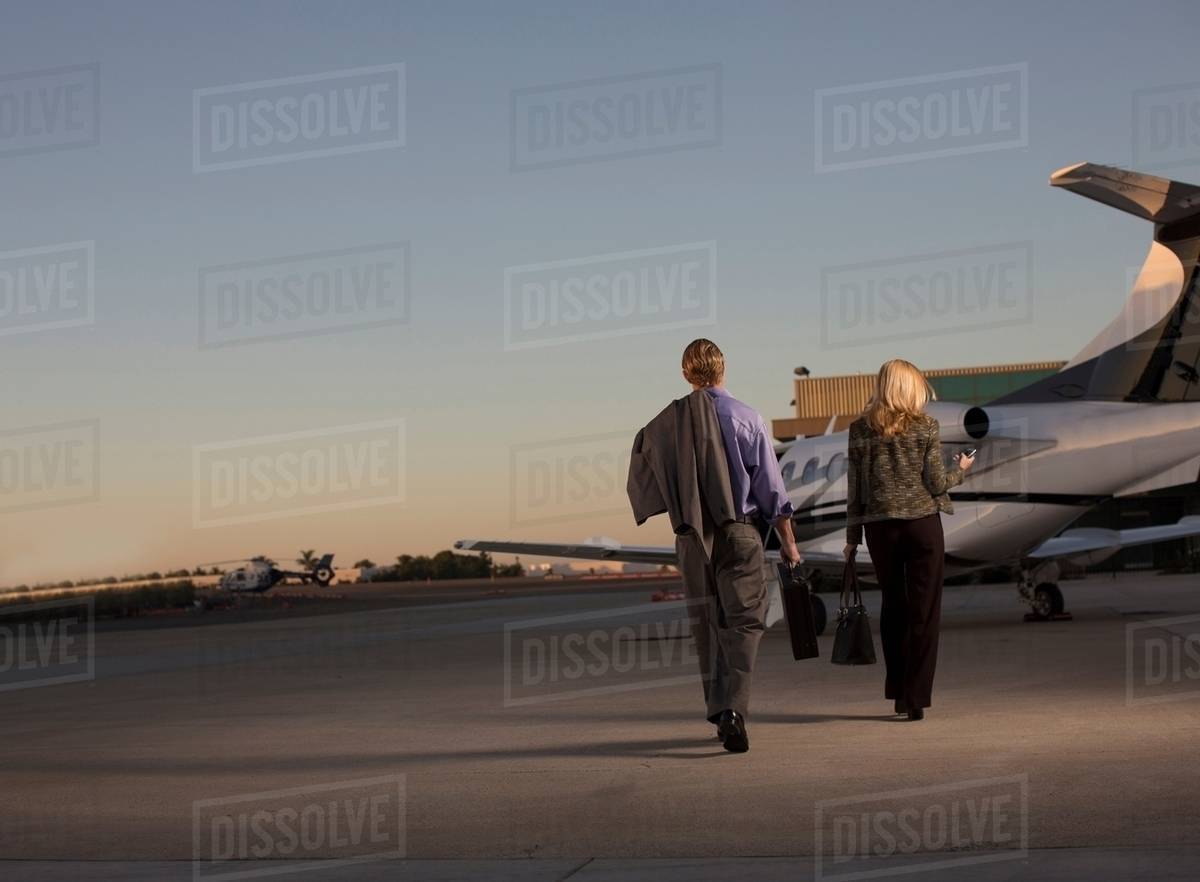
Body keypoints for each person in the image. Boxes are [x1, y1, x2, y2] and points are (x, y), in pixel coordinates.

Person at [627, 339, 801, 753]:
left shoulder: (661, 427)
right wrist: (790, 544)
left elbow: (642, 478)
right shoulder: (746, 418)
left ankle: (720, 713)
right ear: (723, 370)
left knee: (706, 625)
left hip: (690, 538)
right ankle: (735, 710)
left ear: (686, 374)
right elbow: (773, 493)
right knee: (743, 622)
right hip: (740, 532)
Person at [843, 359, 975, 722]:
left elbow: (856, 490)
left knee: (893, 608)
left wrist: (852, 538)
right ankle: (916, 698)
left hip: (881, 530)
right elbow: (935, 483)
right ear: (909, 388)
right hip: (922, 528)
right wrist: (960, 470)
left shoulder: (859, 430)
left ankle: (898, 692)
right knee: (924, 613)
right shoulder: (926, 427)